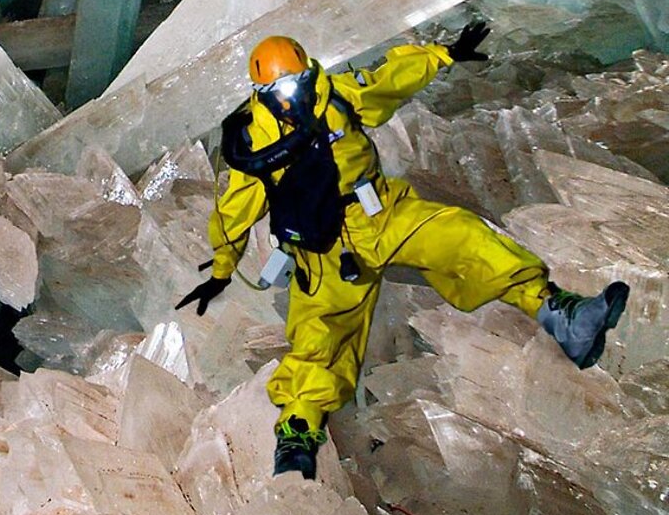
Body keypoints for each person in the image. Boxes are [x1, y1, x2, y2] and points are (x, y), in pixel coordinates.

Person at [175, 24, 630, 480]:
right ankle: (298, 435)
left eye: (298, 82)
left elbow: (387, 80)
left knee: (463, 235)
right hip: (323, 250)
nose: (293, 96)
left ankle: (560, 314)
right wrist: (221, 269)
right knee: (319, 342)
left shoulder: (335, 95)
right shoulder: (253, 140)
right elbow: (234, 210)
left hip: (380, 213)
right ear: (262, 92)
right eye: (280, 89)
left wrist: (442, 55)